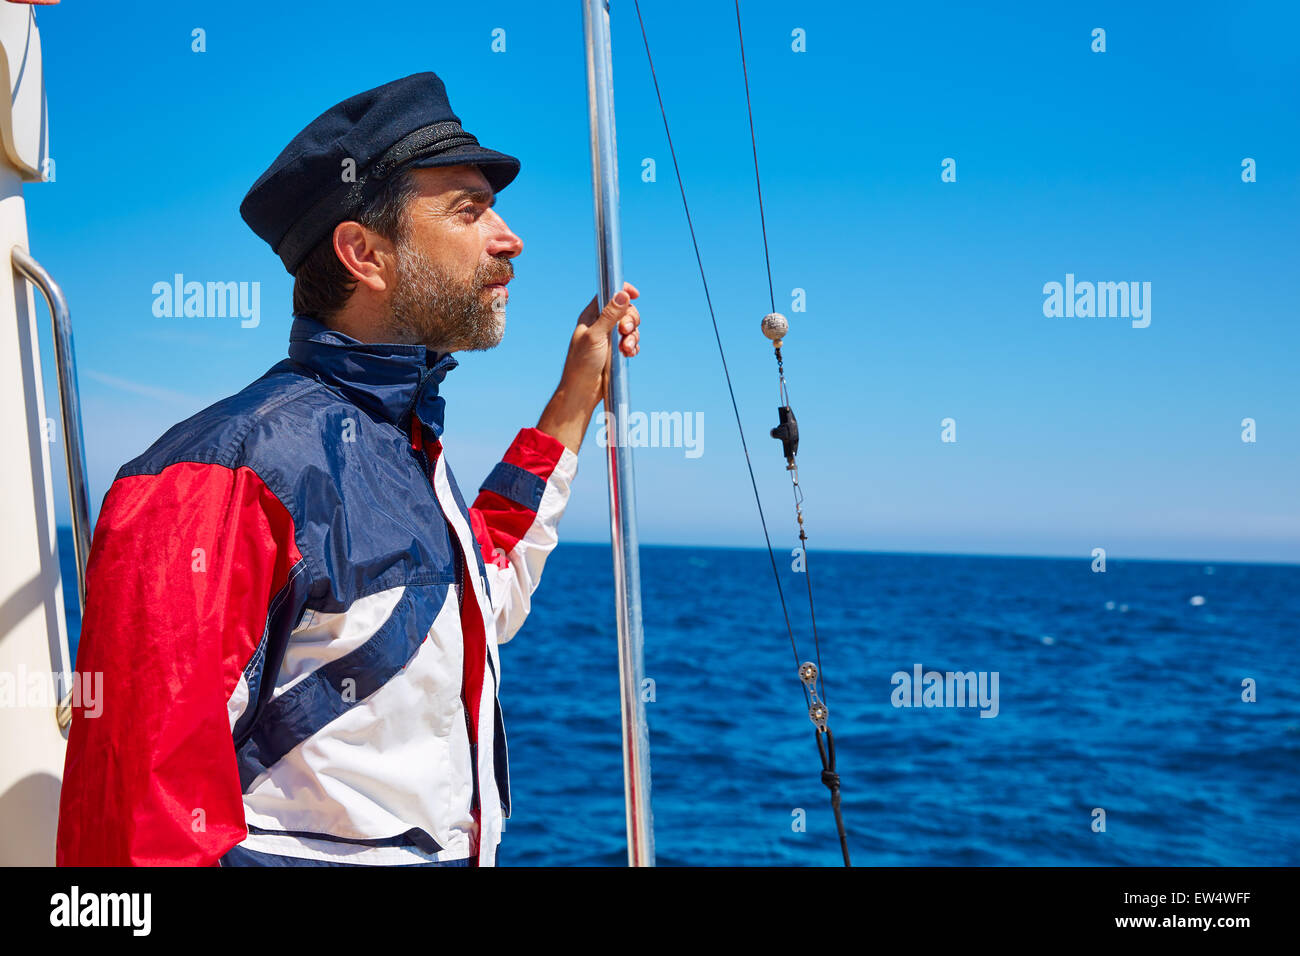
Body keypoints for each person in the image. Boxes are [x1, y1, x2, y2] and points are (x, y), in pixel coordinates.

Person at [55, 72, 642, 866]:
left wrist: (573, 400)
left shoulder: (401, 448)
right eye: (468, 210)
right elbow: (131, 837)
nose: (510, 239)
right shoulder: (221, 477)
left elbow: (484, 591)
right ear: (363, 253)